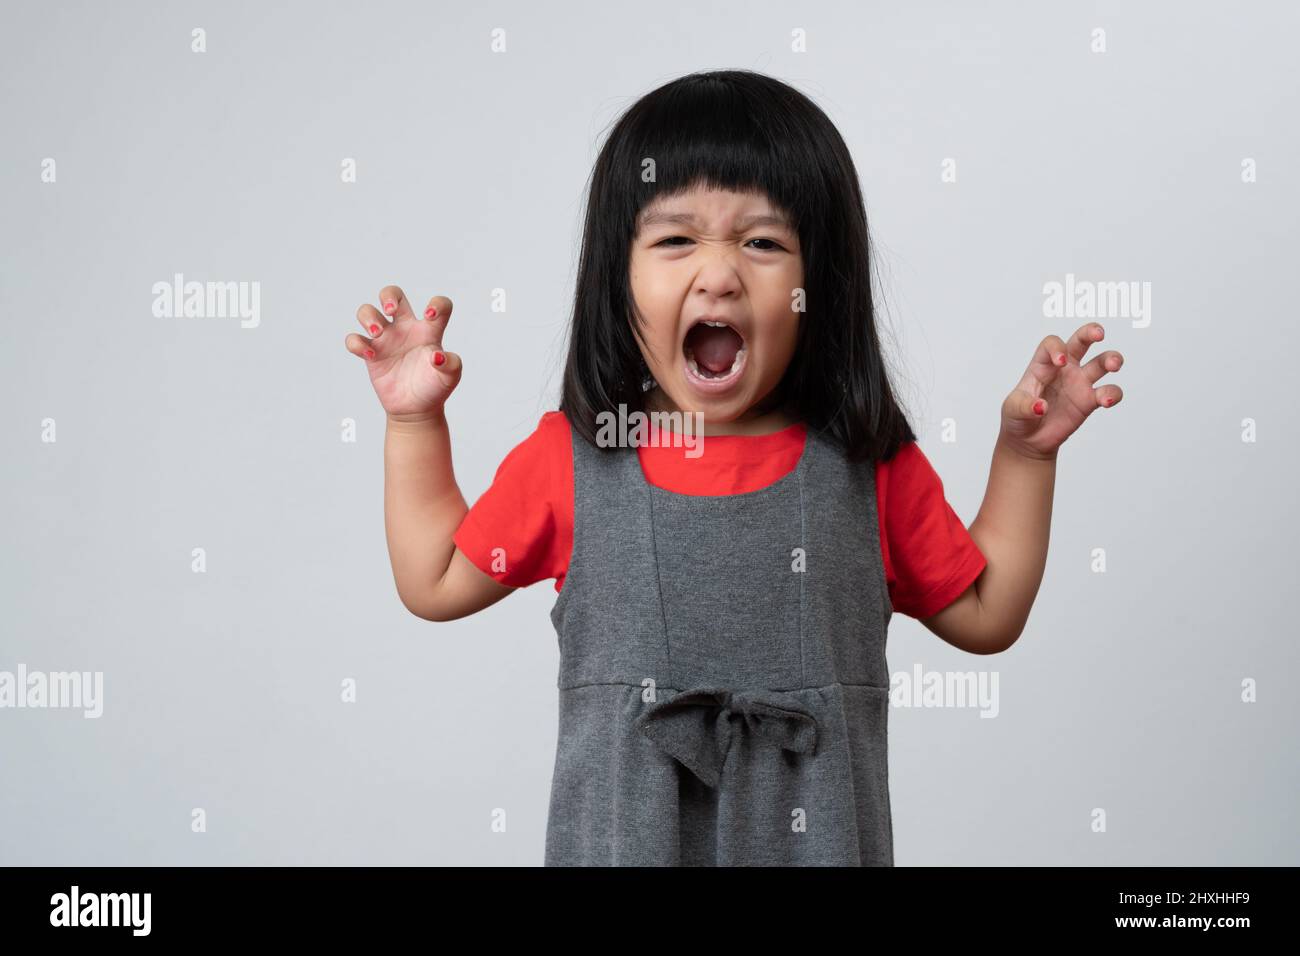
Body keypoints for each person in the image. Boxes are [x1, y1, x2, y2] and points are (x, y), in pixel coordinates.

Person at [344, 70, 1126, 866]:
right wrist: (414, 420)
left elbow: (989, 614)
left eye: (762, 243)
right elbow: (434, 581)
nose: (718, 274)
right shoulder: (575, 459)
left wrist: (1025, 456)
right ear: (620, 278)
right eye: (675, 239)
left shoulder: (865, 467)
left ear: (819, 284)